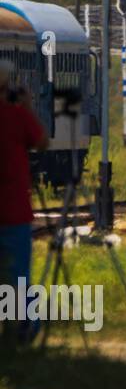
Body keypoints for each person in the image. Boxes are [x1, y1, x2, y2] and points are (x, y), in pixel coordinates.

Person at [0, 61, 50, 344]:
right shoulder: (16, 117)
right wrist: (27, 105)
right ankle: (24, 327)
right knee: (19, 275)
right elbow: (41, 141)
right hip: (14, 210)